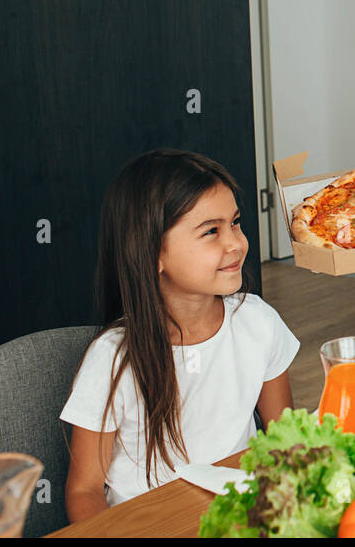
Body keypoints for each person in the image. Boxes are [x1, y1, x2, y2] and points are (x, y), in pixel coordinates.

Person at [62, 149, 298, 520]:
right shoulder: (111, 358)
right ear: (153, 252)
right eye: (211, 231)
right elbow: (84, 490)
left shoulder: (259, 322)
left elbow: (287, 442)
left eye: (235, 223)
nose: (236, 243)